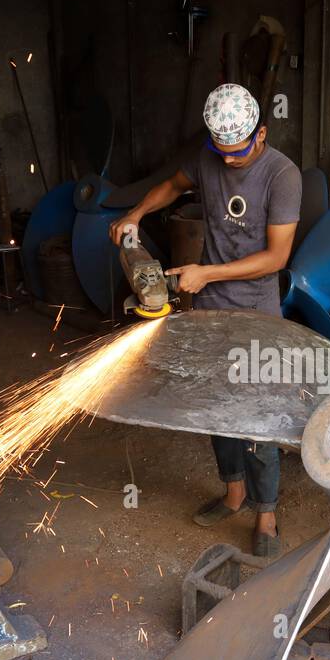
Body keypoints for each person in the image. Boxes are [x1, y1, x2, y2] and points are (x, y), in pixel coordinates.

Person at [108, 83, 302, 560]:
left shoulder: (283, 175)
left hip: (257, 312)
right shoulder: (209, 157)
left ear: (261, 133)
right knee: (217, 408)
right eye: (222, 151)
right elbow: (173, 185)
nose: (230, 161)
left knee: (259, 416)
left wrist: (205, 272)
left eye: (238, 151)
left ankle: (267, 514)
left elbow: (276, 258)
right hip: (213, 308)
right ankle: (234, 495)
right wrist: (135, 213)